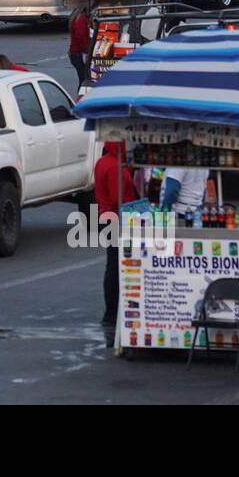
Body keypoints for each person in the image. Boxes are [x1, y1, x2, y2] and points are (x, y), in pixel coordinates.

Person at [95, 141, 137, 343]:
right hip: (117, 219)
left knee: (113, 265)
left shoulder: (103, 162)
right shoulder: (114, 166)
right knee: (117, 267)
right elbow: (116, 197)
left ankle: (111, 312)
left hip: (106, 216)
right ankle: (112, 313)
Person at [68, 5, 91, 87]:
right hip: (79, 53)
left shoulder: (76, 18)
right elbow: (81, 37)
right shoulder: (81, 19)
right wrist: (87, 50)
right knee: (84, 81)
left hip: (75, 53)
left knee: (83, 79)